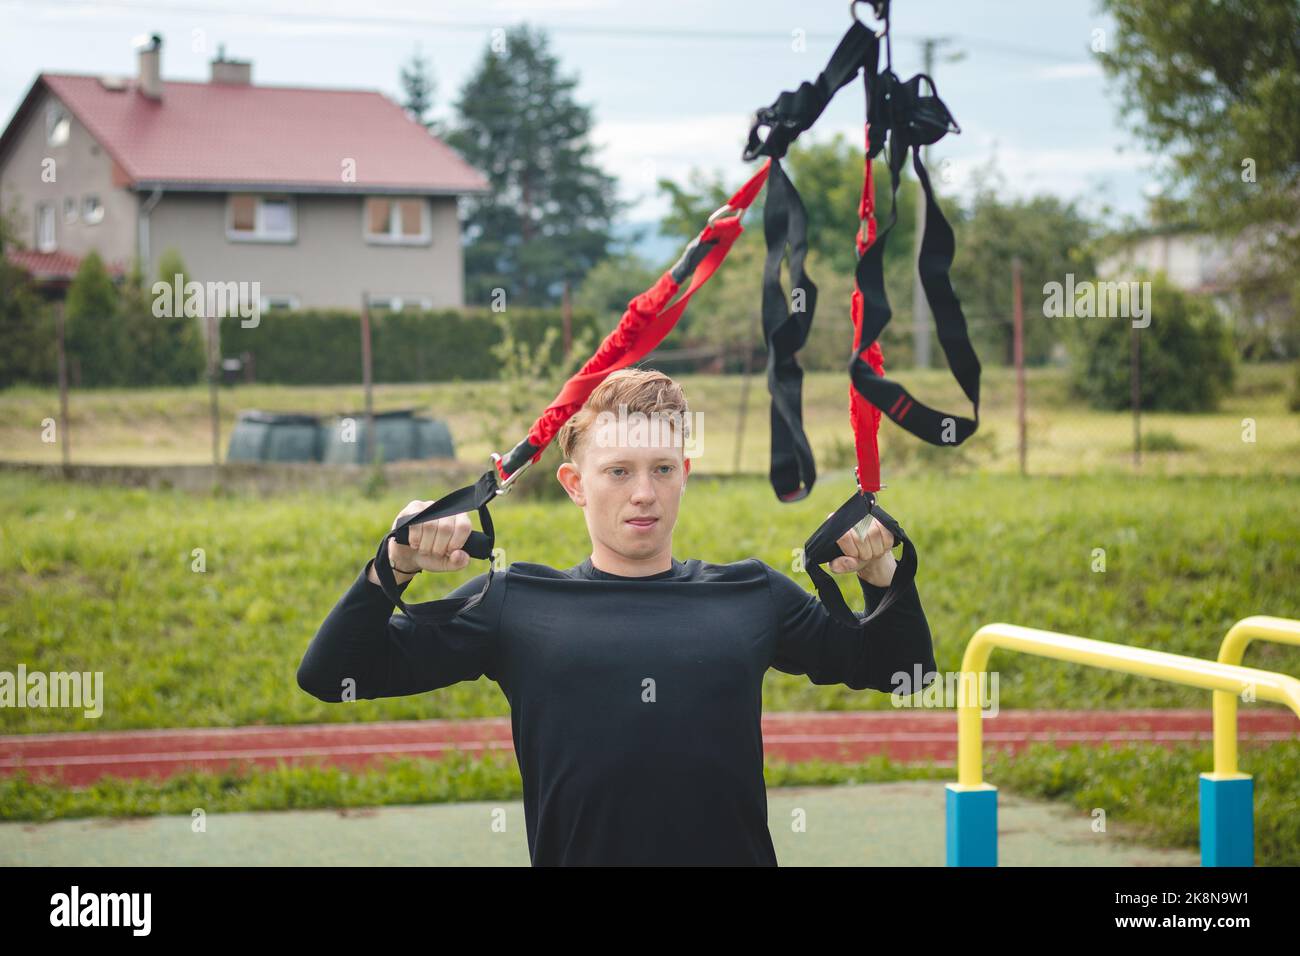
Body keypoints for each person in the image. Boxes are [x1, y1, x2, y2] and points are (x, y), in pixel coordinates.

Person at [297, 367, 936, 865]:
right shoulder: (516, 605)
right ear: (575, 483)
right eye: (618, 471)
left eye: (662, 469)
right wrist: (395, 562)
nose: (643, 493)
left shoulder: (752, 595)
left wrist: (882, 574)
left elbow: (902, 673)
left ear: (684, 473)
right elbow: (332, 674)